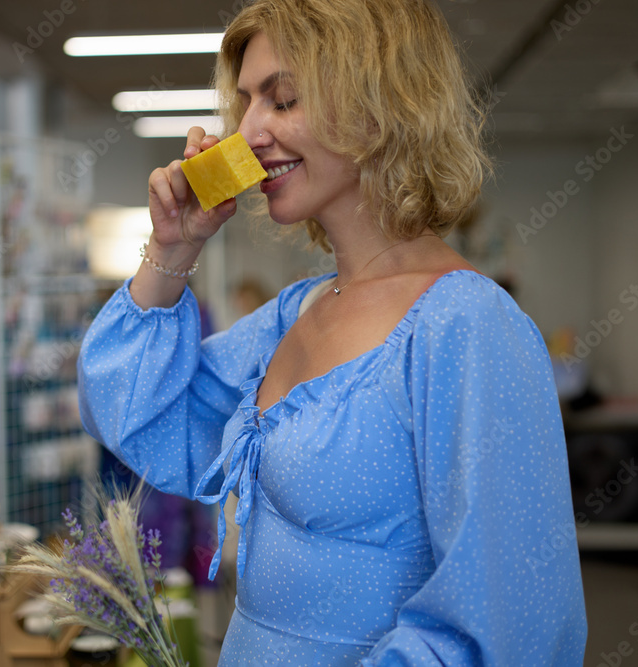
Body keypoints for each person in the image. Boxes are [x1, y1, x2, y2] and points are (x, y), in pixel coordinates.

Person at [78, 0, 588, 664]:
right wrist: (173, 250)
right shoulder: (296, 313)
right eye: (246, 103)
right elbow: (127, 412)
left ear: (381, 107)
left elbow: (510, 625)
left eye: (282, 99)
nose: (248, 131)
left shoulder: (465, 328)